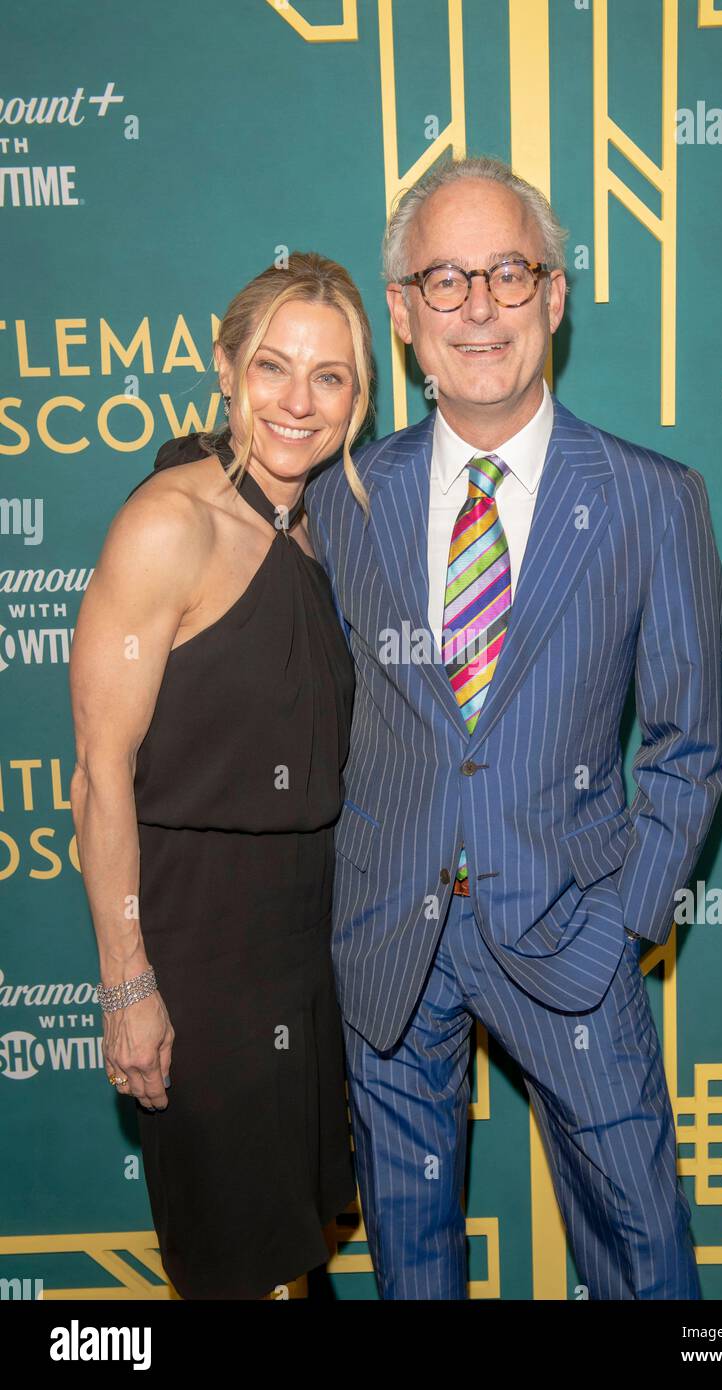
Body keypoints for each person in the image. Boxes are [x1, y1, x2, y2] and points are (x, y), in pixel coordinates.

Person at [304, 156, 722, 1300]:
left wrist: (622, 927)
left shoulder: (653, 498)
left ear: (554, 295)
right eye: (444, 280)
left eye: (508, 272)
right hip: (391, 942)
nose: (478, 308)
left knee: (646, 1262)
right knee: (411, 1267)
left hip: (571, 943)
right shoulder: (342, 501)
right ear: (400, 315)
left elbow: (689, 752)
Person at [69, 253, 373, 1300]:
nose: (298, 402)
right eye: (273, 368)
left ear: (359, 393)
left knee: (294, 1242)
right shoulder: (168, 524)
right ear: (224, 369)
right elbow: (99, 775)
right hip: (202, 945)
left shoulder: (336, 527)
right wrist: (128, 985)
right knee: (233, 1260)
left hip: (312, 932)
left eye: (328, 377)